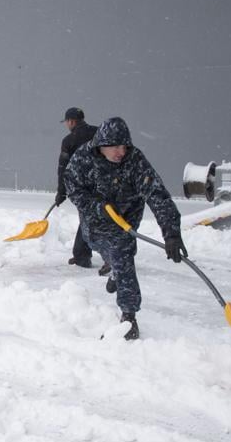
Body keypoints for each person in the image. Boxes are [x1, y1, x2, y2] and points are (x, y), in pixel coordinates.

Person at [64, 117, 187, 340]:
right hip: (94, 223)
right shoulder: (83, 157)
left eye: (124, 146)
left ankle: (129, 318)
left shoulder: (134, 160)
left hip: (125, 222)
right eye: (115, 146)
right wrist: (96, 207)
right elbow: (72, 187)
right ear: (102, 144)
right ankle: (113, 268)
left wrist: (171, 233)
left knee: (123, 255)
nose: (121, 151)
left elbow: (157, 194)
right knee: (105, 250)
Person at [54, 107, 98, 268]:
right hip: (105, 185)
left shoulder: (69, 141)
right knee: (95, 218)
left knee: (88, 219)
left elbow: (63, 169)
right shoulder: (99, 133)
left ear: (71, 121)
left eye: (66, 122)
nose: (66, 125)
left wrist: (61, 192)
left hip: (83, 188)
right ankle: (81, 254)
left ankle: (83, 256)